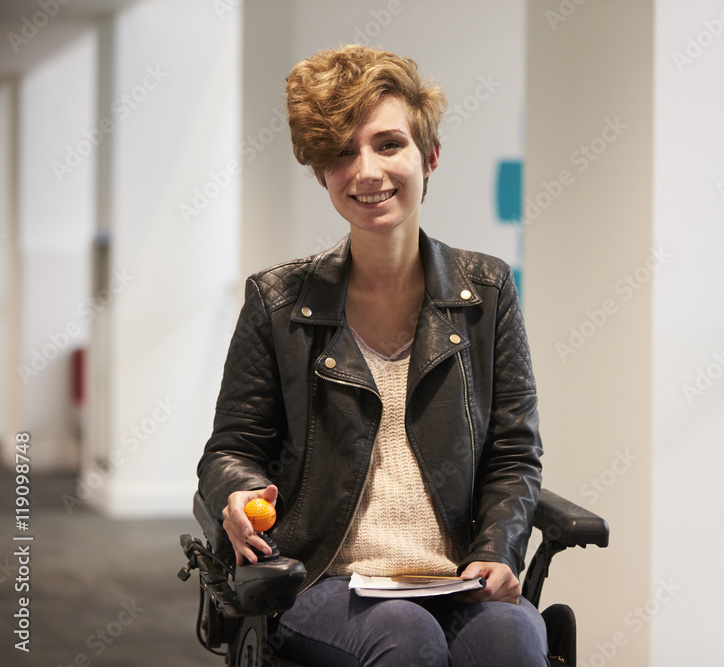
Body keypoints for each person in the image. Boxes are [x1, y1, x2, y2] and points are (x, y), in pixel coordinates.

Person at [196, 44, 548, 666]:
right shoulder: (277, 302)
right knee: (406, 636)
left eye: (388, 144)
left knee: (512, 638)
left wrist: (499, 547)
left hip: (457, 576)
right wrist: (239, 492)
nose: (365, 171)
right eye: (341, 152)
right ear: (320, 173)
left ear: (429, 155)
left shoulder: (487, 291)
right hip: (323, 577)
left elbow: (514, 451)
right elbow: (232, 449)